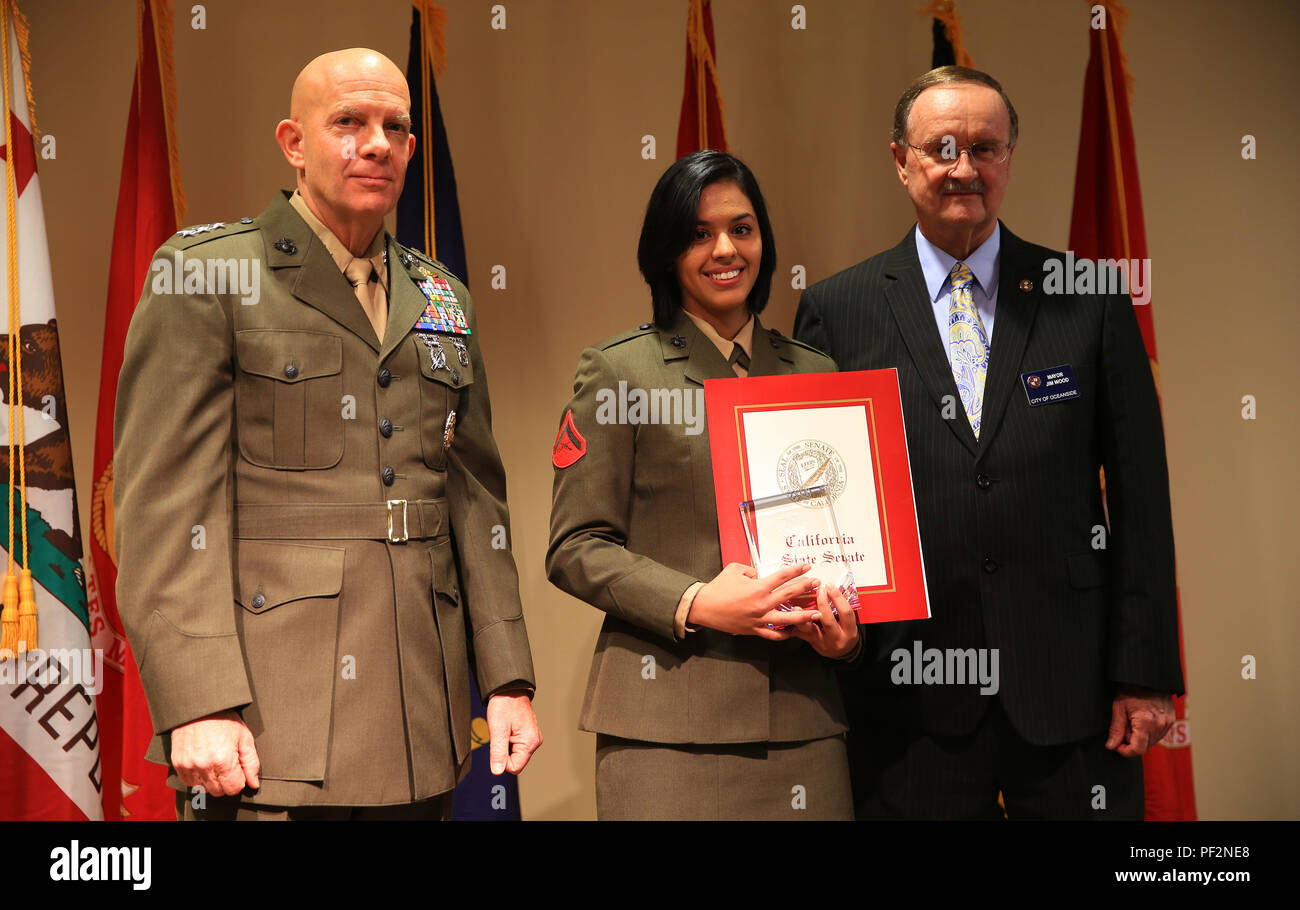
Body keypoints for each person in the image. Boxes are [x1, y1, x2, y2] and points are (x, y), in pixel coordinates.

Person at [113, 48, 540, 820]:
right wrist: (199, 698)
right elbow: (165, 513)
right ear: (294, 142)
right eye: (348, 122)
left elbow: (475, 501)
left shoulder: (442, 295)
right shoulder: (211, 275)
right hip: (273, 718)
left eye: (394, 127)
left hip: (421, 714)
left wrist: (506, 675)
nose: (376, 143)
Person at [794, 66, 1183, 819]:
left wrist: (1144, 671)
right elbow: (828, 494)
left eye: (984, 147)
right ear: (901, 162)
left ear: (1009, 157)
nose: (963, 167)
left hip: (1071, 687)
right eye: (940, 147)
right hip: (908, 692)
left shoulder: (1089, 296)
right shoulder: (837, 309)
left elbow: (1142, 494)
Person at [547, 150, 860, 820]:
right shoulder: (618, 373)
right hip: (666, 729)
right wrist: (696, 601)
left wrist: (848, 632)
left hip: (804, 724)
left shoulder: (817, 374)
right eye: (698, 233)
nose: (725, 249)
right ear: (666, 252)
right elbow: (576, 547)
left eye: (742, 229)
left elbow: (849, 545)